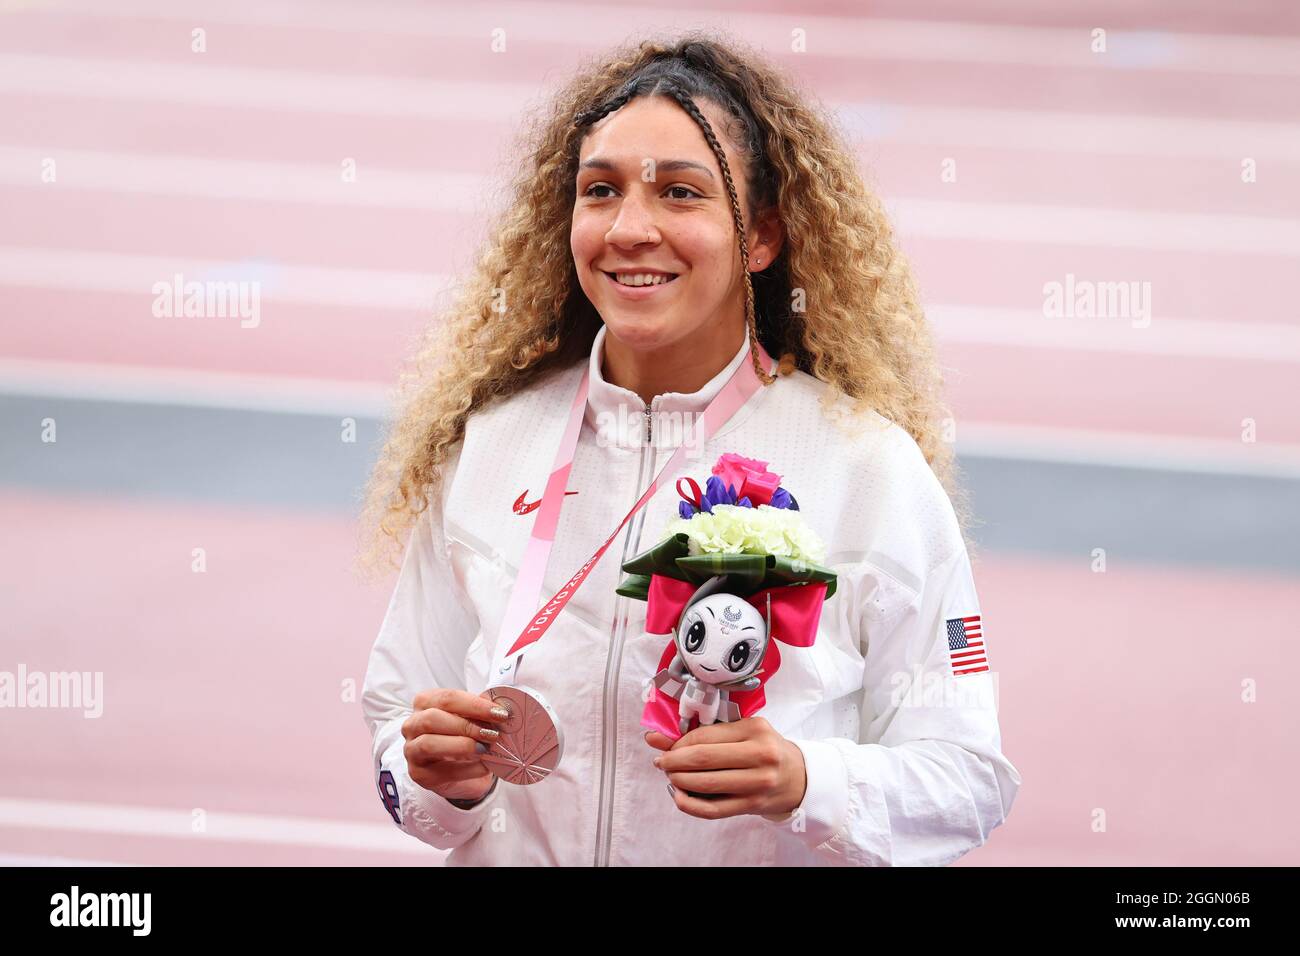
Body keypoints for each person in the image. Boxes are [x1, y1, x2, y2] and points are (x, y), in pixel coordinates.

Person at [358, 33, 1021, 866]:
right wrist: (440, 780)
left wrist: (808, 783)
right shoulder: (493, 446)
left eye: (680, 193)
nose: (630, 228)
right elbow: (397, 724)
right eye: (600, 191)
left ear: (761, 239)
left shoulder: (867, 471)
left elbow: (968, 781)